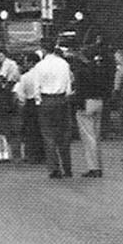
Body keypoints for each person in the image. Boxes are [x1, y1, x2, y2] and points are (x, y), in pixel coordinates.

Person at [33, 40, 74, 179]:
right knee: (64, 135)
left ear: (43, 50)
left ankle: (54, 169)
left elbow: (36, 88)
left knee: (48, 136)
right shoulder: (64, 64)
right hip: (62, 100)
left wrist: (39, 102)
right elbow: (69, 85)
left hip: (46, 101)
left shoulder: (39, 66)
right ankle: (67, 168)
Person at [73, 43, 114, 178]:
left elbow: (79, 90)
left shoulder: (81, 70)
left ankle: (93, 167)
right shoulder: (100, 69)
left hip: (86, 103)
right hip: (99, 101)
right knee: (96, 135)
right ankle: (98, 166)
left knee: (88, 137)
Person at [0, 50, 21, 164]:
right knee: (5, 136)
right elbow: (11, 104)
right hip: (5, 116)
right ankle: (5, 155)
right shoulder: (7, 93)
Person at [14, 52, 45, 165]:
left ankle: (33, 155)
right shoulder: (43, 73)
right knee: (43, 130)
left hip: (31, 104)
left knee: (31, 131)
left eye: (26, 61)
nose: (25, 64)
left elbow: (21, 94)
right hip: (43, 101)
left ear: (31, 63)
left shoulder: (25, 77)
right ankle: (44, 155)